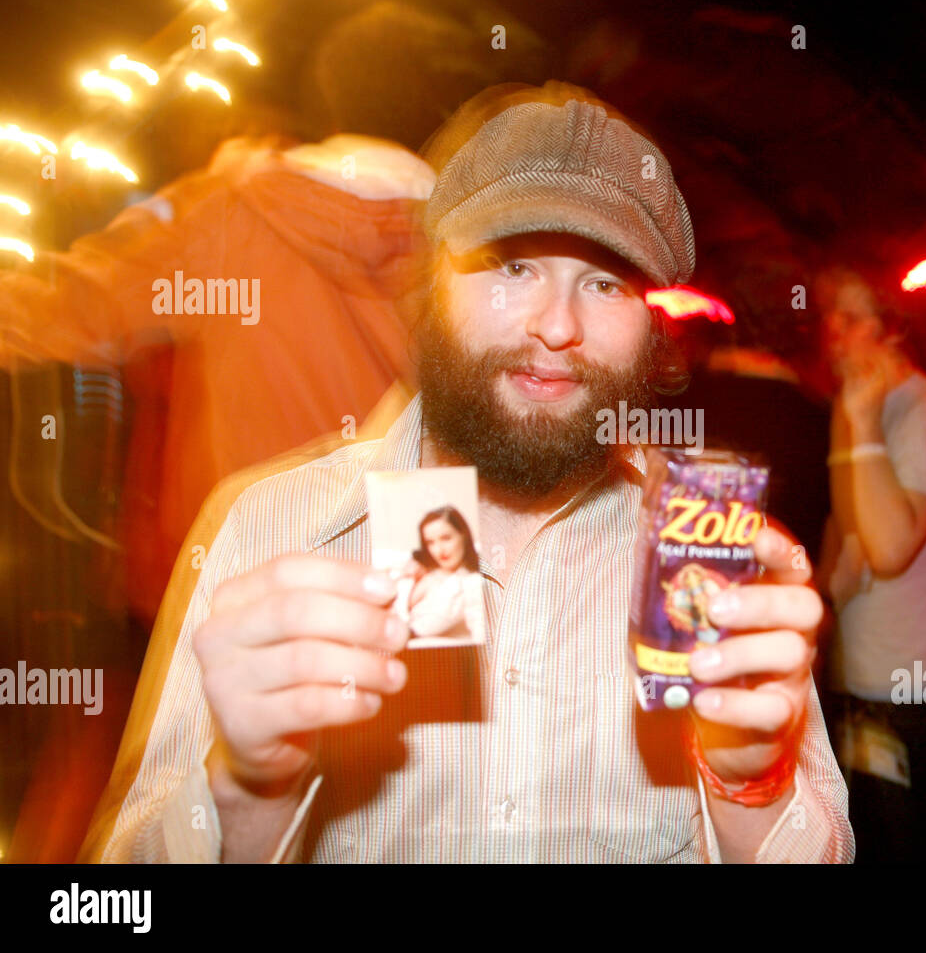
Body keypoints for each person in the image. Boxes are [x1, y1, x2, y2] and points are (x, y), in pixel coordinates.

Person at [94, 81, 852, 863]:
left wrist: (750, 785)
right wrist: (247, 789)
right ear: (431, 287)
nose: (556, 326)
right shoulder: (272, 524)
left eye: (606, 281)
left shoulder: (704, 556)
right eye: (510, 265)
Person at [816, 265, 926, 862]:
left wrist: (859, 425)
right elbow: (845, 540)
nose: (833, 332)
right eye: (829, 317)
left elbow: (890, 549)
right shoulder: (866, 406)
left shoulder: (923, 415)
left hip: (920, 696)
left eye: (852, 318)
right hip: (873, 685)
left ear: (894, 330)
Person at [394, 506, 485, 640]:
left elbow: (481, 633)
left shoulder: (470, 584)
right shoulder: (417, 569)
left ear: (463, 535)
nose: (439, 550)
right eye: (430, 542)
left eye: (446, 538)